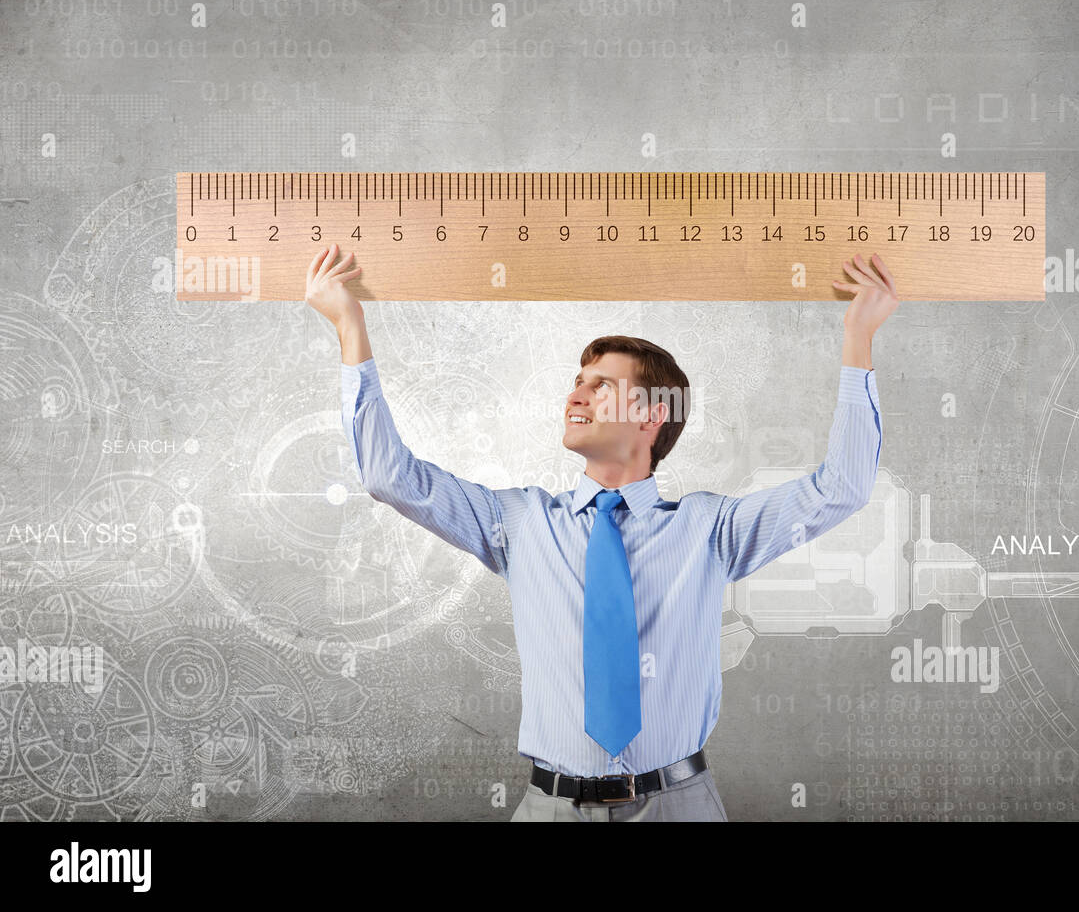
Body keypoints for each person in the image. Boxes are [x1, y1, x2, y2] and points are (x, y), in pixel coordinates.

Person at [305, 244, 898, 821]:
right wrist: (350, 327)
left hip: (679, 804)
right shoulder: (519, 523)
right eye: (577, 380)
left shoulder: (711, 530)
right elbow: (390, 476)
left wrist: (859, 338)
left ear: (649, 414)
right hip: (550, 807)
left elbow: (841, 487)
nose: (575, 393)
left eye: (600, 385)